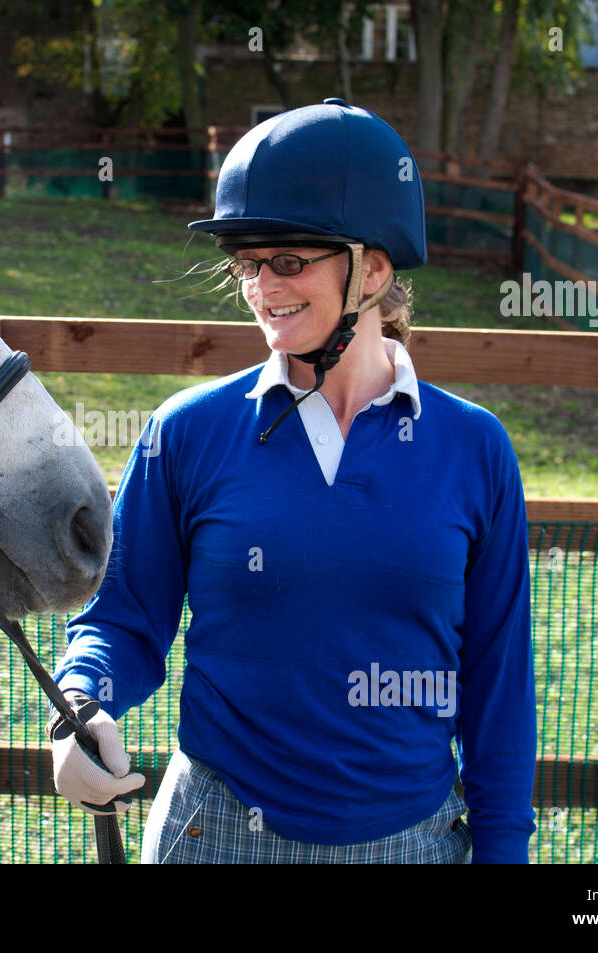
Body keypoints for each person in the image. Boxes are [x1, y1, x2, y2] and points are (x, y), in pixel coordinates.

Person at [47, 99, 536, 864]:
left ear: (373, 268)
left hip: (409, 843)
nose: (261, 286)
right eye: (247, 262)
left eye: (290, 260)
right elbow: (126, 619)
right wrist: (80, 702)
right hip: (214, 835)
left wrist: (504, 852)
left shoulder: (474, 450)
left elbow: (497, 689)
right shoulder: (187, 431)